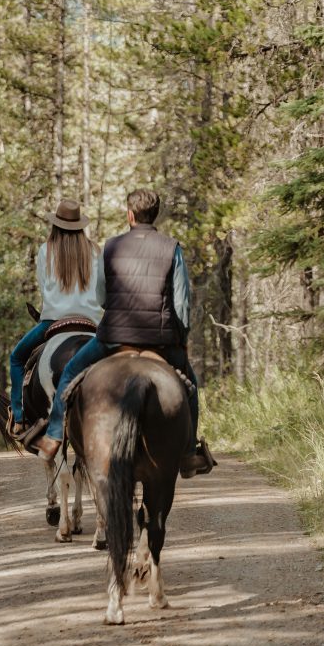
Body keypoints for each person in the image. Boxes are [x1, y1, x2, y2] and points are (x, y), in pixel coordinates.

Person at [31, 189, 216, 479]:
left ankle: (54, 437)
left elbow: (101, 296)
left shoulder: (112, 246)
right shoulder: (172, 248)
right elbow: (181, 304)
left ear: (130, 215)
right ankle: (188, 453)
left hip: (115, 336)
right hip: (161, 340)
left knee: (69, 374)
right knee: (191, 388)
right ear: (156, 215)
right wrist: (180, 338)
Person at [8, 200, 102, 436]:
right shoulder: (95, 251)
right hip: (91, 323)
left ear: (56, 225)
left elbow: (44, 288)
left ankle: (19, 418)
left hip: (54, 321)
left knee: (17, 358)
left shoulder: (46, 250)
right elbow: (103, 291)